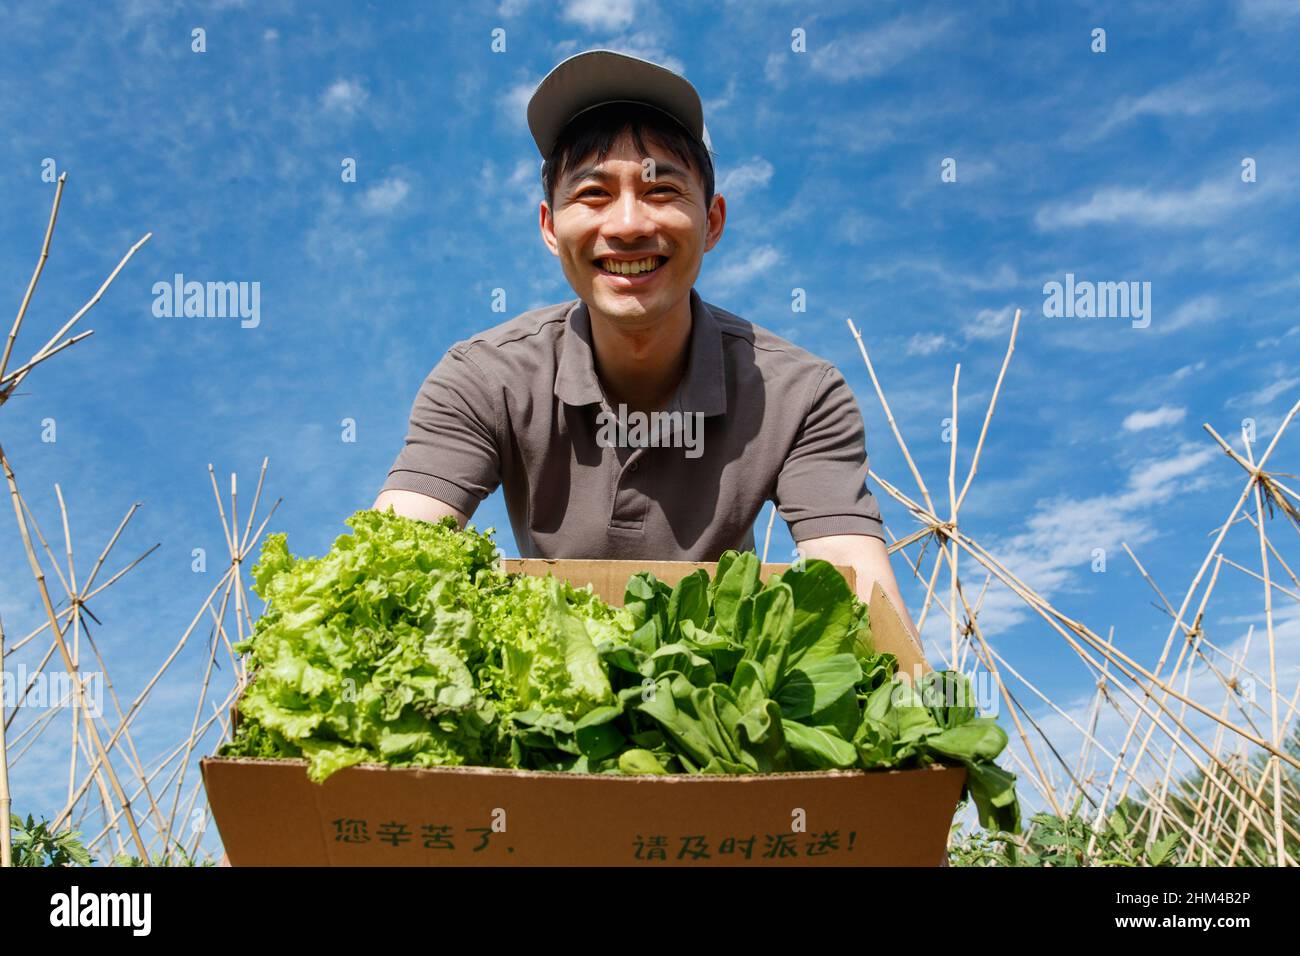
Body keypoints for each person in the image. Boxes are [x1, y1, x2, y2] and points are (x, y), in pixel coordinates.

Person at [373, 48, 918, 637]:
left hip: (719, 701)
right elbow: (396, 553)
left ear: (711, 223)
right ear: (551, 229)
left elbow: (858, 592)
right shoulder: (481, 377)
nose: (629, 225)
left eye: (661, 192)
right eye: (593, 194)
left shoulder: (802, 394)